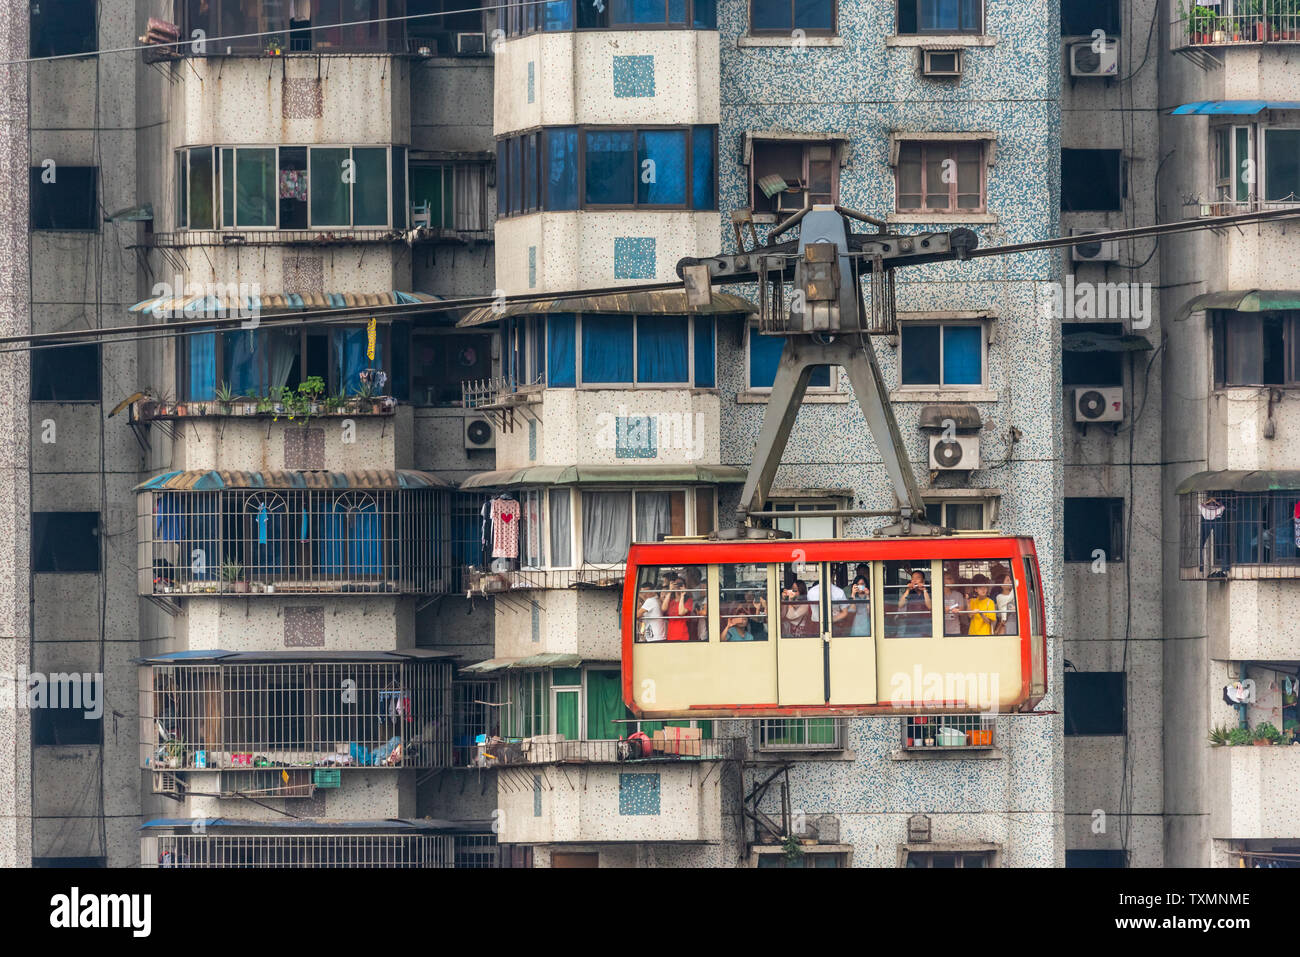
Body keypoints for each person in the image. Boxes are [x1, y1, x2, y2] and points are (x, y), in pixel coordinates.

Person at [896, 569, 932, 637]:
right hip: (911, 625)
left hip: (925, 625)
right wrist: (908, 590)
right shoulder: (909, 592)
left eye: (918, 578)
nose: (915, 580)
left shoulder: (928, 591)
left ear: (923, 581)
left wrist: (924, 590)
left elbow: (930, 606)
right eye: (913, 578)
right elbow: (900, 605)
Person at [663, 575, 696, 641]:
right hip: (670, 636)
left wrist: (682, 595)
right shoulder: (670, 600)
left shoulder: (688, 601)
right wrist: (670, 591)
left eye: (680, 584)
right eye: (676, 584)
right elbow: (663, 608)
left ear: (684, 587)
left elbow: (681, 612)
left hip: (682, 636)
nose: (678, 586)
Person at [636, 575, 668, 642]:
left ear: (652, 591)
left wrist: (638, 598)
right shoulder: (656, 599)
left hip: (655, 637)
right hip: (657, 635)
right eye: (642, 592)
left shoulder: (650, 601)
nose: (644, 594)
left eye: (645, 592)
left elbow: (637, 615)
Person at [943, 562, 967, 636]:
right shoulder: (938, 595)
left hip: (955, 630)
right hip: (940, 630)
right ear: (942, 581)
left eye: (952, 579)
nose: (952, 581)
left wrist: (958, 611)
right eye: (949, 579)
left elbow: (962, 613)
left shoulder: (958, 595)